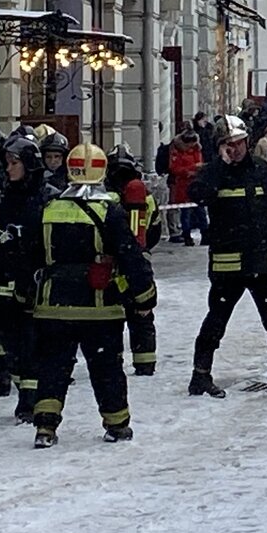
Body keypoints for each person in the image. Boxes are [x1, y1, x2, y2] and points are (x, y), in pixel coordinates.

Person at [27, 143, 156, 448]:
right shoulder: (109, 209)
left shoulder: (49, 207)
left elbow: (30, 256)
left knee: (53, 368)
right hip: (98, 307)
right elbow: (130, 256)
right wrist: (144, 297)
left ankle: (45, 426)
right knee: (106, 368)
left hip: (53, 305)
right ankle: (117, 424)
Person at [188, 114, 267, 398]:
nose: (234, 149)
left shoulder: (262, 170)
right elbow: (199, 195)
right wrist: (220, 168)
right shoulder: (213, 173)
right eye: (227, 144)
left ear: (247, 142)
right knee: (216, 322)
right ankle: (200, 376)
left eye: (237, 143)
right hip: (229, 265)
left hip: (264, 262)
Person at [0, 137, 51, 423]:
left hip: (37, 289)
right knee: (13, 349)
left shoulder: (48, 199)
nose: (8, 169)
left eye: (14, 163)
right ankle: (26, 394)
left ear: (29, 165)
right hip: (6, 289)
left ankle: (30, 403)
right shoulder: (2, 202)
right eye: (6, 164)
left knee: (34, 347)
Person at [106, 148, 161, 375]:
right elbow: (156, 229)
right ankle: (145, 363)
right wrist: (143, 248)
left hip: (111, 265)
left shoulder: (105, 198)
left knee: (111, 317)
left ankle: (112, 359)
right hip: (139, 262)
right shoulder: (145, 197)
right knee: (142, 312)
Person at [169, 128, 205, 245]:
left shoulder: (197, 150)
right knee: (186, 213)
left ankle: (205, 234)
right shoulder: (177, 151)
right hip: (184, 185)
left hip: (197, 185)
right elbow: (175, 168)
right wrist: (190, 170)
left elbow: (200, 163)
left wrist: (198, 170)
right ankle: (187, 236)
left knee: (201, 212)